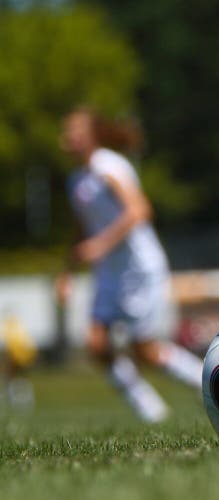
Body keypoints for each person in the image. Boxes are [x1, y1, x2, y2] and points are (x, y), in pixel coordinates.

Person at [57, 107, 203, 423]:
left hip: (139, 268)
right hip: (109, 273)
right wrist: (67, 273)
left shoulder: (109, 166)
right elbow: (83, 229)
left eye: (74, 131)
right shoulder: (76, 180)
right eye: (66, 131)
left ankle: (209, 382)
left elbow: (139, 210)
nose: (67, 137)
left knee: (146, 351)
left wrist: (101, 245)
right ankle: (149, 409)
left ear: (92, 135)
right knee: (96, 345)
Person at [1, 310, 37, 411]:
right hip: (27, 352)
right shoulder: (18, 324)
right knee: (20, 377)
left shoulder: (7, 325)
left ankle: (14, 398)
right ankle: (24, 398)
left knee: (10, 376)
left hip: (17, 353)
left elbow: (11, 343)